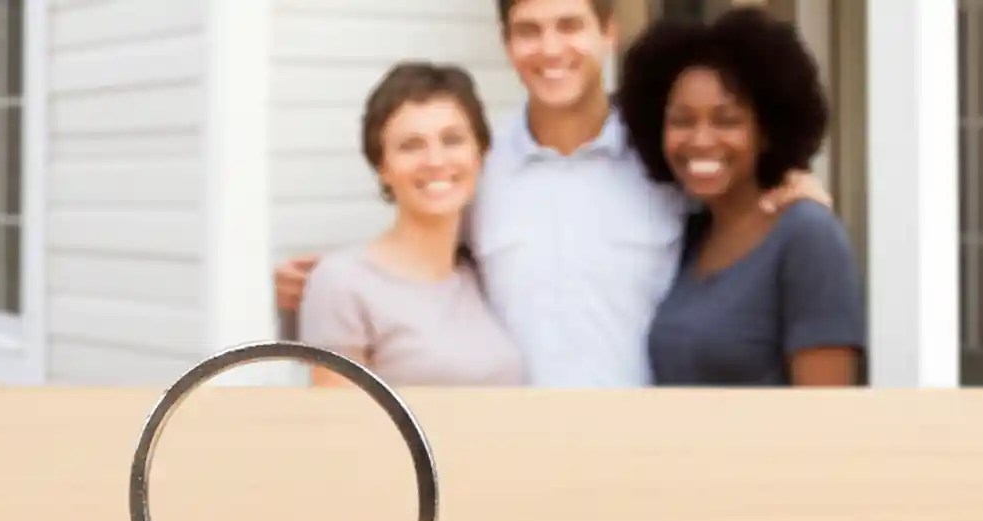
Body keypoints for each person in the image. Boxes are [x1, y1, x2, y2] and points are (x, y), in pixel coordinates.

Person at [276, 0, 830, 388]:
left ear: (607, 31)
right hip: (519, 452)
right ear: (507, 43)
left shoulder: (664, 163)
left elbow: (737, 226)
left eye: (569, 24)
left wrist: (795, 187)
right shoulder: (479, 174)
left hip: (645, 448)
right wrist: (331, 282)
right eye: (529, 29)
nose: (550, 48)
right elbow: (427, 273)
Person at [617, 7, 864, 386]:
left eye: (726, 120)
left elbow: (829, 417)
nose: (701, 140)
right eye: (682, 120)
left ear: (766, 131)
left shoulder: (808, 236)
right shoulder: (691, 235)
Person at [297, 62, 525, 387]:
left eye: (452, 139)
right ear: (382, 167)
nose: (435, 161)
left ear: (481, 153)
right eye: (411, 145)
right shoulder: (343, 283)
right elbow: (338, 429)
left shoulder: (479, 275)